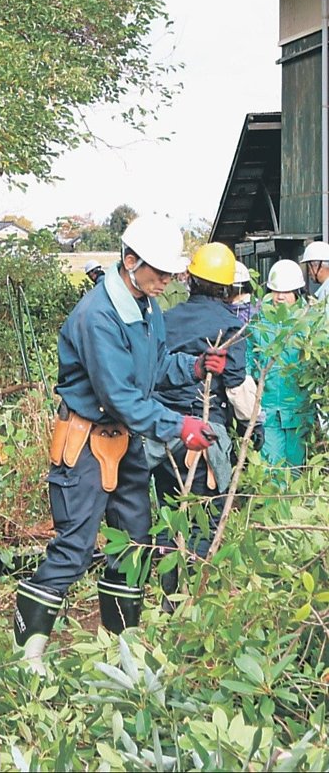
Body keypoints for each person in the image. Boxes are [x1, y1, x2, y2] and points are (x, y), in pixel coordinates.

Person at [12, 214, 225, 674]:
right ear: (131, 261)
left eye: (170, 272)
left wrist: (193, 367)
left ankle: (120, 650)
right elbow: (120, 396)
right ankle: (27, 659)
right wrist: (178, 425)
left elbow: (155, 367)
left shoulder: (147, 307)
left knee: (133, 543)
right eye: (159, 272)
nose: (167, 281)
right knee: (75, 547)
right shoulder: (98, 316)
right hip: (86, 441)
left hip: (126, 441)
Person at [144, 243, 245, 607]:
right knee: (205, 518)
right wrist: (252, 427)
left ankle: (169, 600)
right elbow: (236, 383)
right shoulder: (231, 326)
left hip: (165, 432)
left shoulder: (165, 318)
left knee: (170, 512)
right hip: (204, 433)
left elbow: (152, 371)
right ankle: (196, 604)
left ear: (191, 280)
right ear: (228, 287)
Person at [247, 259, 312, 473]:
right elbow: (248, 363)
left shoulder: (309, 322)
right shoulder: (258, 323)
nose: (280, 297)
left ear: (297, 292)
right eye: (276, 291)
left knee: (297, 470)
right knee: (271, 471)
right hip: (267, 412)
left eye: (286, 291)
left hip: (300, 412)